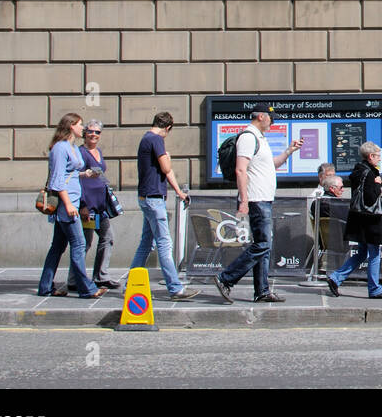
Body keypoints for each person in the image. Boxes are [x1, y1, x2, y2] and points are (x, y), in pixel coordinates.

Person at [214, 105, 303, 303]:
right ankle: (225, 278)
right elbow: (240, 170)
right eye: (271, 118)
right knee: (263, 244)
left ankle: (262, 291)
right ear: (261, 116)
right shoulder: (248, 137)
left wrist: (289, 151)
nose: (273, 122)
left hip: (263, 198)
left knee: (263, 245)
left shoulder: (260, 138)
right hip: (255, 199)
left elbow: (271, 165)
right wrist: (244, 201)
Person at [130, 112, 199, 301]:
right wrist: (167, 157)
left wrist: (178, 191)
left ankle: (131, 284)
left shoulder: (145, 138)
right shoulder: (157, 139)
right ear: (168, 128)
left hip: (145, 197)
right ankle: (175, 288)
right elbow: (166, 169)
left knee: (145, 243)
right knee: (164, 243)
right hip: (154, 199)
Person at [38, 114, 107, 300]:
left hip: (73, 202)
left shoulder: (72, 147)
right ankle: (87, 288)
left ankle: (45, 287)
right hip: (67, 205)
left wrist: (86, 174)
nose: (83, 128)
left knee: (57, 247)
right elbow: (57, 180)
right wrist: (68, 204)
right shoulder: (60, 148)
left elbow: (72, 173)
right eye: (80, 124)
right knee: (79, 244)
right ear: (70, 126)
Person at [324, 142, 382, 299]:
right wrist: (378, 185)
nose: (379, 160)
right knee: (374, 253)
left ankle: (335, 278)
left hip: (358, 217)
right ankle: (375, 289)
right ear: (371, 156)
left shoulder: (358, 170)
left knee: (361, 253)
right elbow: (370, 198)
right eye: (378, 156)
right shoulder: (371, 174)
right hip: (371, 219)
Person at [72, 119, 117, 289]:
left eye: (97, 132)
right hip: (87, 206)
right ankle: (74, 279)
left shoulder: (98, 151)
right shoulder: (81, 153)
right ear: (84, 133)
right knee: (84, 242)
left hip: (100, 206)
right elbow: (77, 179)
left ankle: (100, 276)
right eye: (90, 131)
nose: (93, 135)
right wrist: (82, 204)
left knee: (107, 237)